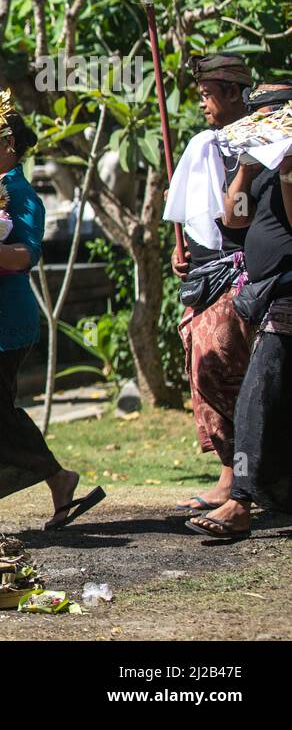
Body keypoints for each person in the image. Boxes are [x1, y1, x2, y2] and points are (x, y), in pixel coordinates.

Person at [0, 109, 103, 536]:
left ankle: (52, 478)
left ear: (9, 146)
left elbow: (27, 254)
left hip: (2, 319)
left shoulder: (21, 195)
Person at [189, 82, 292, 539]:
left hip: (289, 291)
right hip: (266, 291)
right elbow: (235, 217)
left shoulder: (288, 165)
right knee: (272, 392)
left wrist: (287, 170)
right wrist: (248, 169)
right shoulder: (263, 166)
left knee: (259, 390)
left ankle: (241, 502)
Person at [166, 54, 255, 513]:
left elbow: (235, 216)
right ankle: (230, 470)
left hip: (241, 274)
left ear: (234, 94)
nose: (202, 103)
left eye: (207, 95)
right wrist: (181, 252)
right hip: (204, 275)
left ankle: (237, 475)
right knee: (200, 371)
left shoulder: (260, 141)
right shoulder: (204, 144)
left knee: (220, 368)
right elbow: (191, 214)